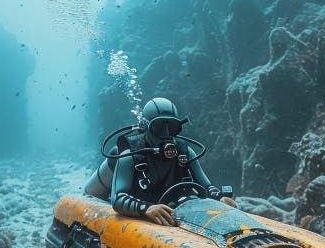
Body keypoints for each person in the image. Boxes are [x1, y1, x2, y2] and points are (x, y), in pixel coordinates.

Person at [95, 97, 234, 226]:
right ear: (146, 127)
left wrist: (220, 198)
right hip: (140, 199)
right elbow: (118, 199)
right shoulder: (129, 155)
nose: (166, 134)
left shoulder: (185, 152)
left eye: (172, 127)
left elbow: (207, 186)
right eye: (159, 127)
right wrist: (146, 208)